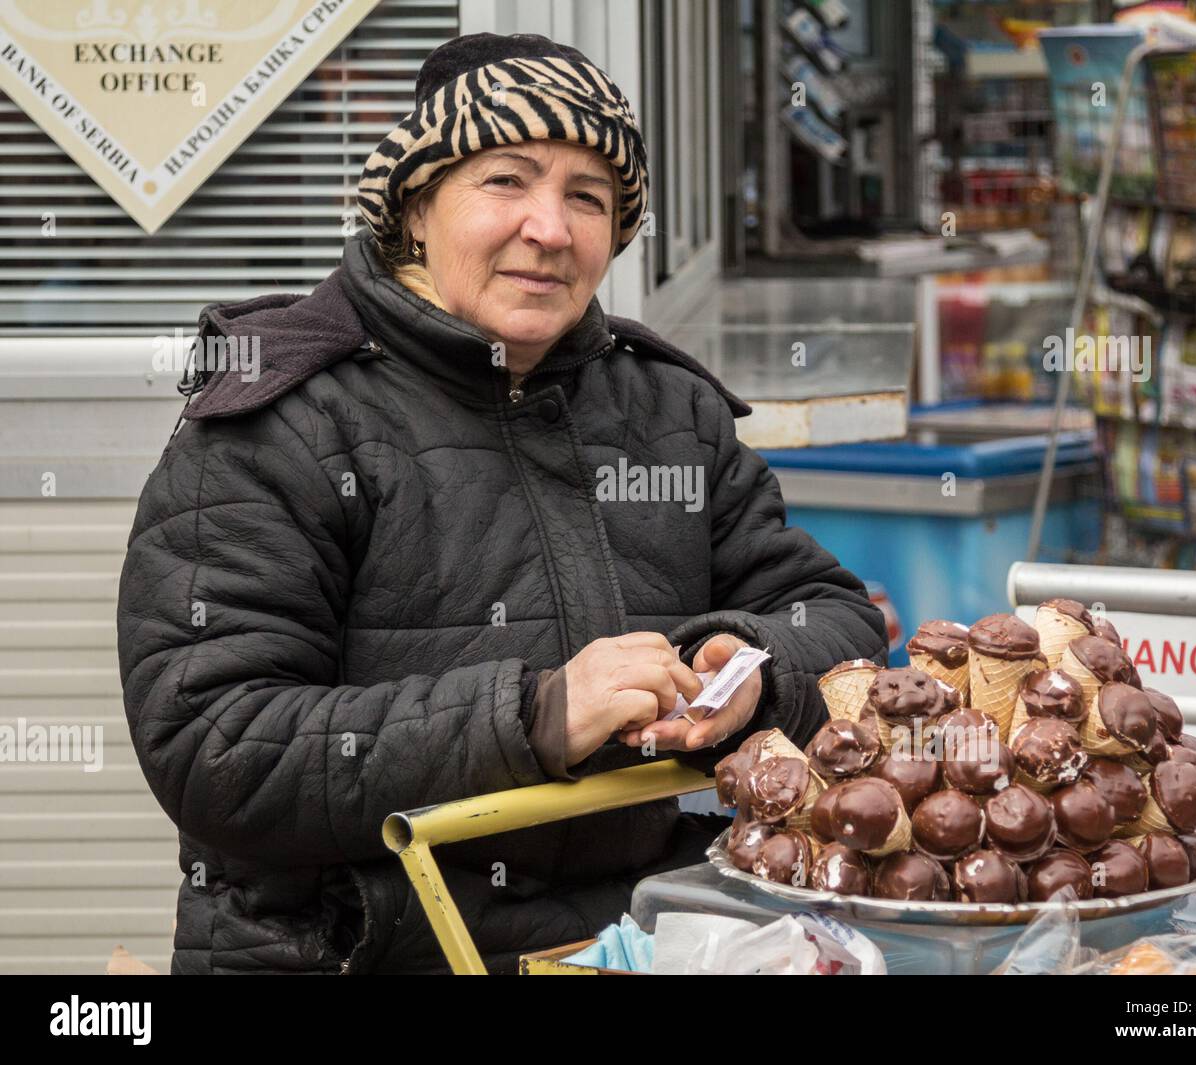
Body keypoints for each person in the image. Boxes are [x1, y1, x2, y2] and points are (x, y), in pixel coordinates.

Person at [116, 32, 886, 974]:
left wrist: (750, 672)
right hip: (356, 954)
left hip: (636, 943)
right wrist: (535, 717)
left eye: (588, 197)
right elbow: (212, 742)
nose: (551, 229)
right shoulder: (282, 420)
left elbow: (839, 622)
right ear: (414, 208)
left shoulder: (668, 412)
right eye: (505, 181)